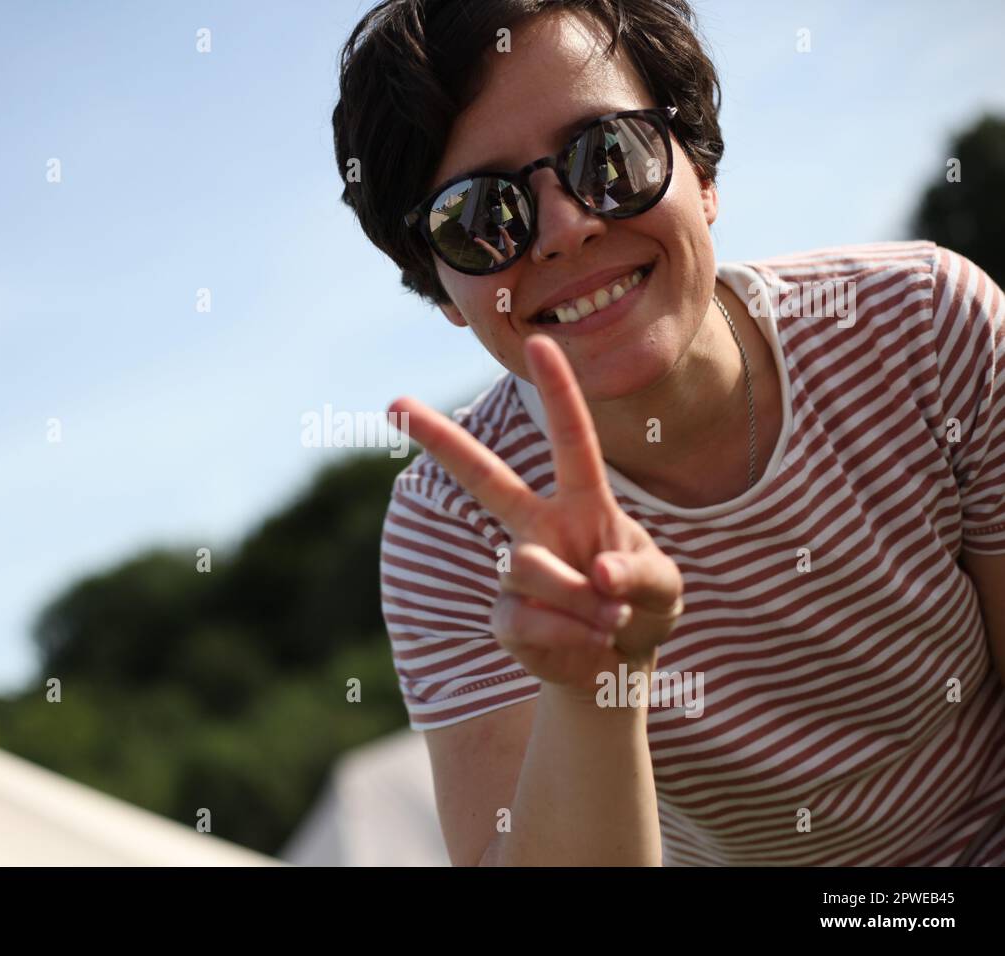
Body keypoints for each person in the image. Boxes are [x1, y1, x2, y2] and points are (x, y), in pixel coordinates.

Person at [331, 0, 1005, 865]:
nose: (568, 226)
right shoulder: (452, 527)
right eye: (480, 217)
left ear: (704, 173)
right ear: (442, 290)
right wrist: (591, 690)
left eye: (608, 155)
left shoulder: (922, 326)